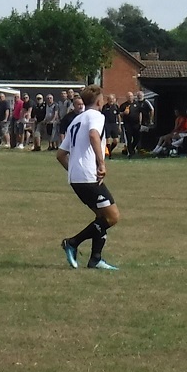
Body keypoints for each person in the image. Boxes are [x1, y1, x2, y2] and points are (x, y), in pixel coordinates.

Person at [56, 85, 120, 270]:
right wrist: (101, 163)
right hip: (88, 177)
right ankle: (72, 242)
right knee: (112, 217)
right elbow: (93, 135)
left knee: (101, 216)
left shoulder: (76, 120)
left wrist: (73, 171)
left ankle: (96, 259)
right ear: (99, 101)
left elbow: (60, 154)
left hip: (77, 178)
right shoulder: (96, 116)